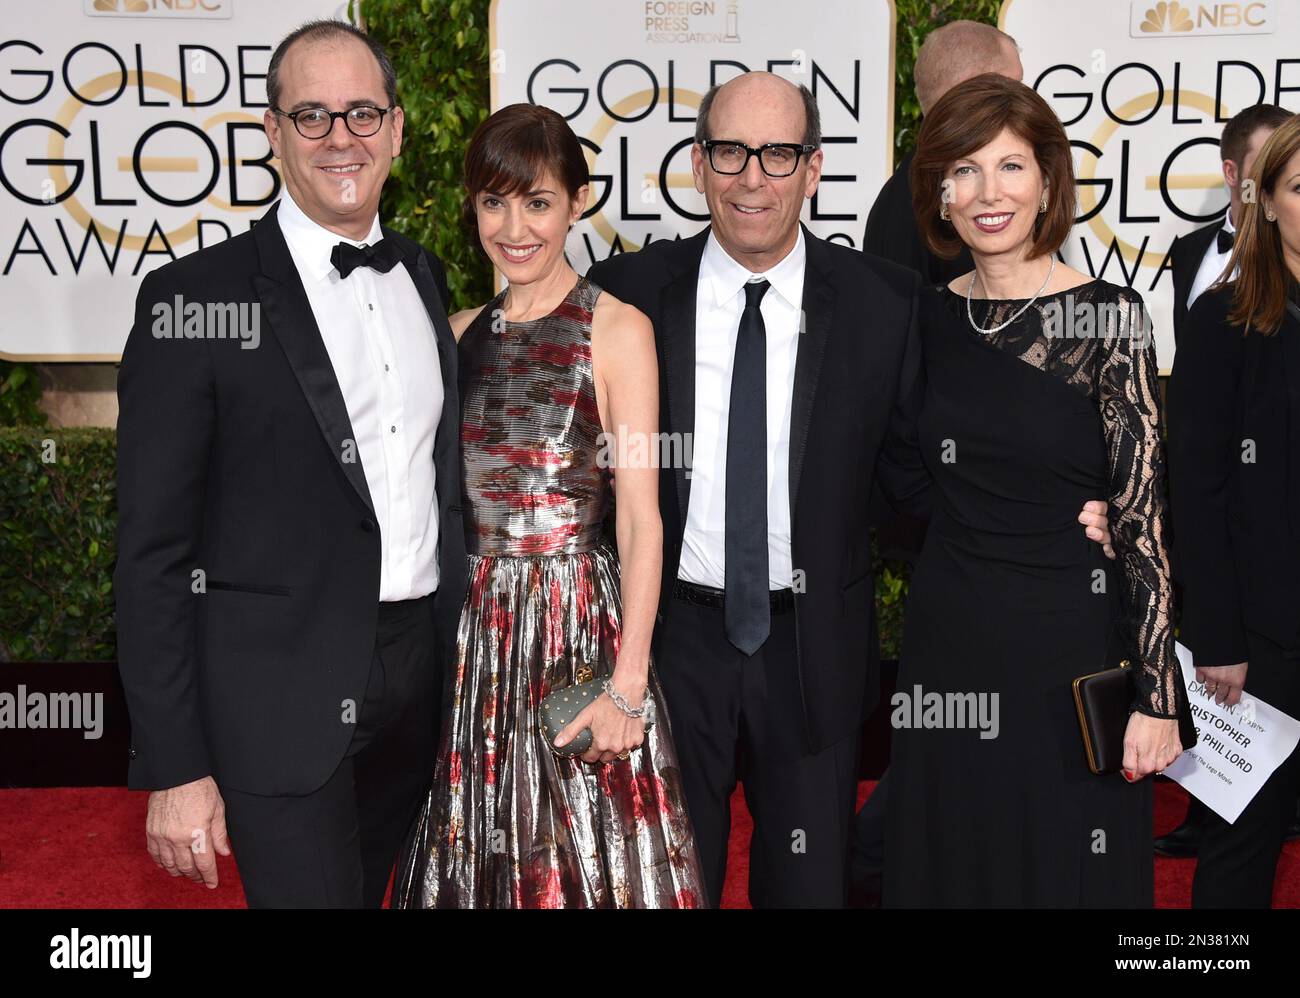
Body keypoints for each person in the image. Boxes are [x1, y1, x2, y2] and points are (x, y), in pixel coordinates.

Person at [588, 71, 1114, 907]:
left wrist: (1070, 514)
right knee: (665, 889)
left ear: (813, 168)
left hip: (816, 654)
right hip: (670, 648)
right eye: (730, 152)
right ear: (697, 164)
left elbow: (929, 470)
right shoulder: (631, 293)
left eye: (778, 154)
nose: (752, 177)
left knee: (811, 888)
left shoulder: (885, 301)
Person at [114, 20, 467, 907]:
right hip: (276, 698)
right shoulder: (191, 300)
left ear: (396, 129)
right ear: (273, 133)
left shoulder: (422, 276)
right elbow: (152, 552)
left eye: (362, 113)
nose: (340, 138)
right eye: (312, 115)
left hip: (420, 683)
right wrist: (176, 764)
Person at [884, 73, 1192, 907]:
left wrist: (1159, 697)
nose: (990, 193)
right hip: (949, 641)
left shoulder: (1108, 318)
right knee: (951, 860)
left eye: (1011, 166)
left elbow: (1143, 518)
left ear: (1049, 183)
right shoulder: (920, 317)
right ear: (940, 193)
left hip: (1067, 645)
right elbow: (896, 475)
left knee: (1062, 865)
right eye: (965, 170)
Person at [392, 103, 706, 908]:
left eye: (537, 202)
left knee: (586, 862)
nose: (514, 227)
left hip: (578, 629)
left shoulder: (617, 328)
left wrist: (629, 682)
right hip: (472, 641)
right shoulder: (455, 334)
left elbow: (640, 516)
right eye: (493, 202)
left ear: (577, 201)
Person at [853, 17, 1028, 906]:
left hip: (961, 522)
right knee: (955, 728)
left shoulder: (911, 195)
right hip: (960, 524)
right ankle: (875, 864)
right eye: (1013, 87)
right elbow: (914, 394)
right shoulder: (928, 208)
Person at [1157, 102, 1297, 858]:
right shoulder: (1222, 317)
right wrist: (1214, 632)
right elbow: (1199, 485)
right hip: (1263, 632)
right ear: (1262, 200)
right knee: (1242, 849)